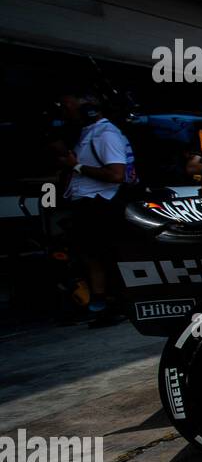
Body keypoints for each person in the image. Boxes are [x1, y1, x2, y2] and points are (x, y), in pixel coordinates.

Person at [56, 89, 136, 327]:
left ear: (86, 107)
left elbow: (116, 174)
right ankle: (99, 303)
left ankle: (117, 304)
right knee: (91, 257)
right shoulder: (89, 132)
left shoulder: (105, 134)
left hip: (103, 203)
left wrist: (77, 167)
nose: (63, 110)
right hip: (90, 203)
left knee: (106, 256)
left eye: (67, 105)